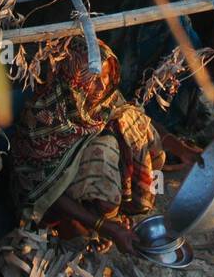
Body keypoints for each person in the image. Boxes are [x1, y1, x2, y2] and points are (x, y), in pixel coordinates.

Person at [10, 37, 177, 254]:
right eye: (94, 79)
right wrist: (103, 226)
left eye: (107, 76)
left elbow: (139, 121)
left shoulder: (103, 99)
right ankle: (85, 224)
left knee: (131, 120)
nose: (103, 85)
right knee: (103, 151)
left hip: (82, 185)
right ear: (74, 78)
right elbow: (44, 191)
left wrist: (182, 149)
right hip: (45, 203)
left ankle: (113, 213)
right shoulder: (44, 117)